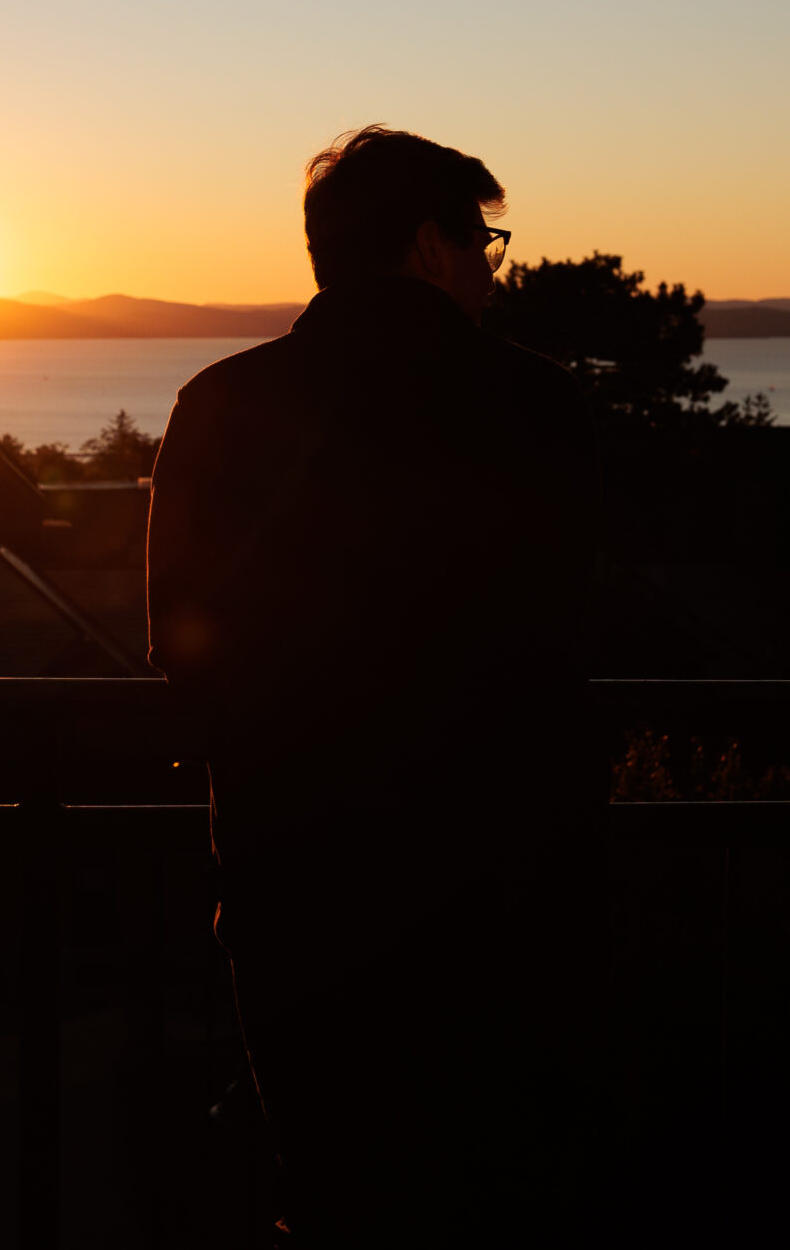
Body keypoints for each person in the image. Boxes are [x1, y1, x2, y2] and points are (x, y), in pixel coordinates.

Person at [147, 126, 601, 1244]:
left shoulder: (221, 404)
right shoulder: (538, 408)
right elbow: (585, 615)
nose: (493, 265)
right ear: (429, 248)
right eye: (483, 240)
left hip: (293, 868)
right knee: (503, 1178)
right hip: (506, 870)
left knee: (331, 1174)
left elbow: (179, 638)